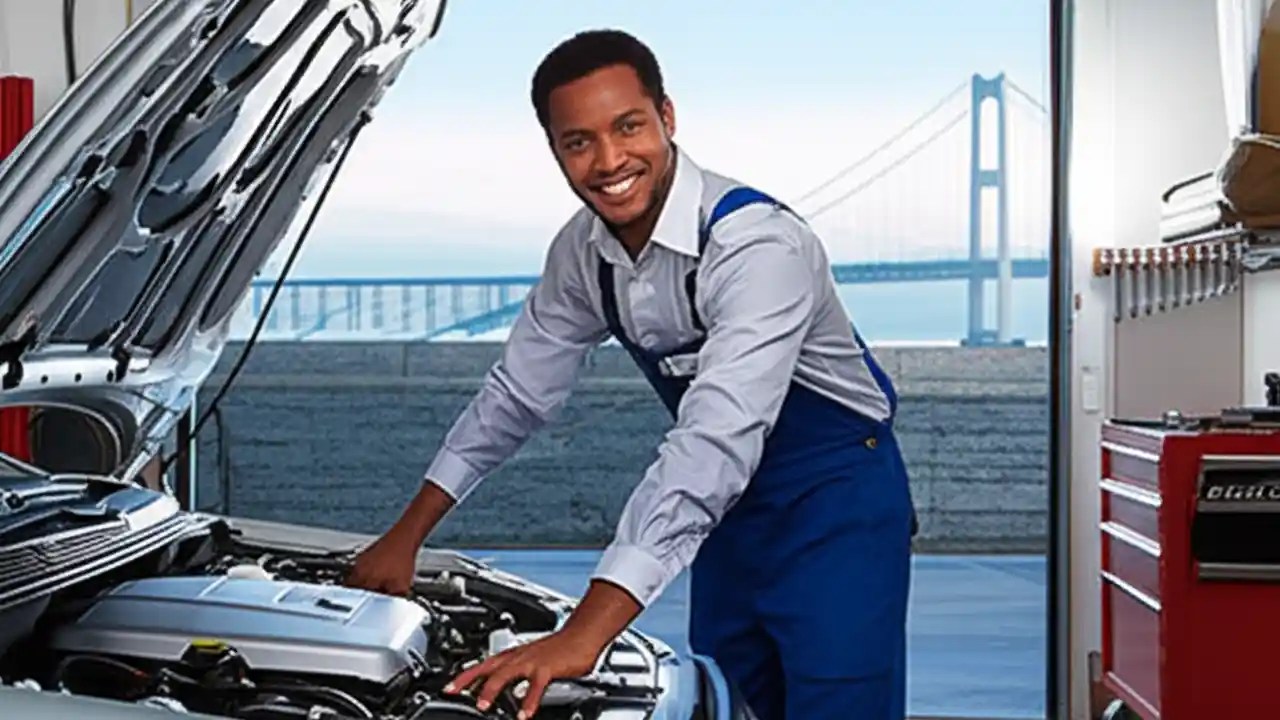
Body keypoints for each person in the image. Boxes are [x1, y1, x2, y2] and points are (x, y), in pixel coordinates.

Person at [346, 28, 916, 720]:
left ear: (667, 118)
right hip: (731, 519)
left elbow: (714, 438)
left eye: (628, 126)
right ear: (554, 150)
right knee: (732, 703)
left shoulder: (758, 244)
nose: (609, 160)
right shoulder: (582, 254)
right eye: (578, 141)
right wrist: (408, 534)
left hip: (836, 504)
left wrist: (585, 633)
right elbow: (516, 397)